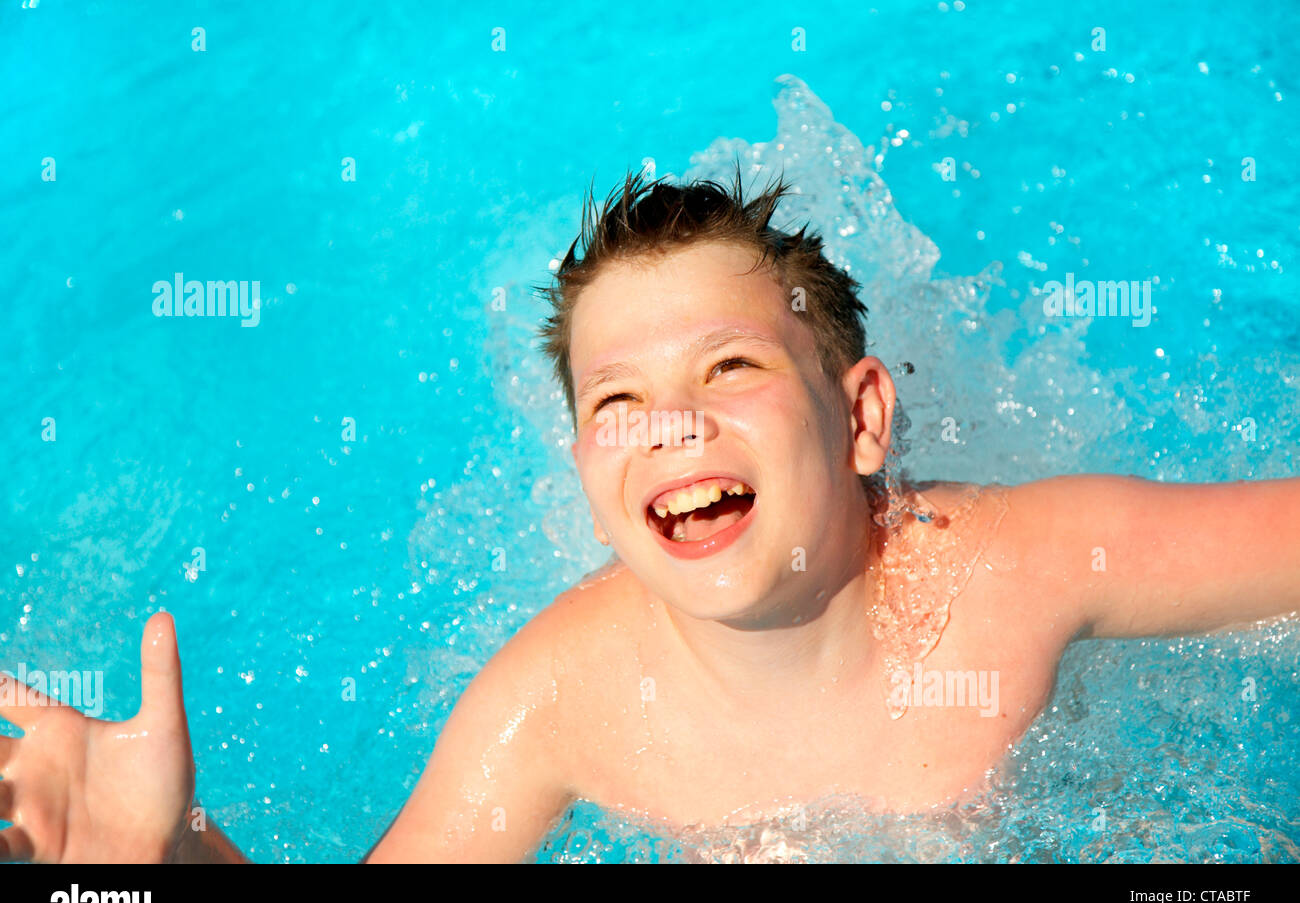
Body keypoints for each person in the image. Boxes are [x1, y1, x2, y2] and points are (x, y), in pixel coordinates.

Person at [3, 170, 1298, 863]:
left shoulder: (1020, 567)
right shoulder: (556, 704)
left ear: (859, 420)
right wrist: (144, 877)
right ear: (585, 471)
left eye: (728, 369)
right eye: (620, 397)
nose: (673, 424)